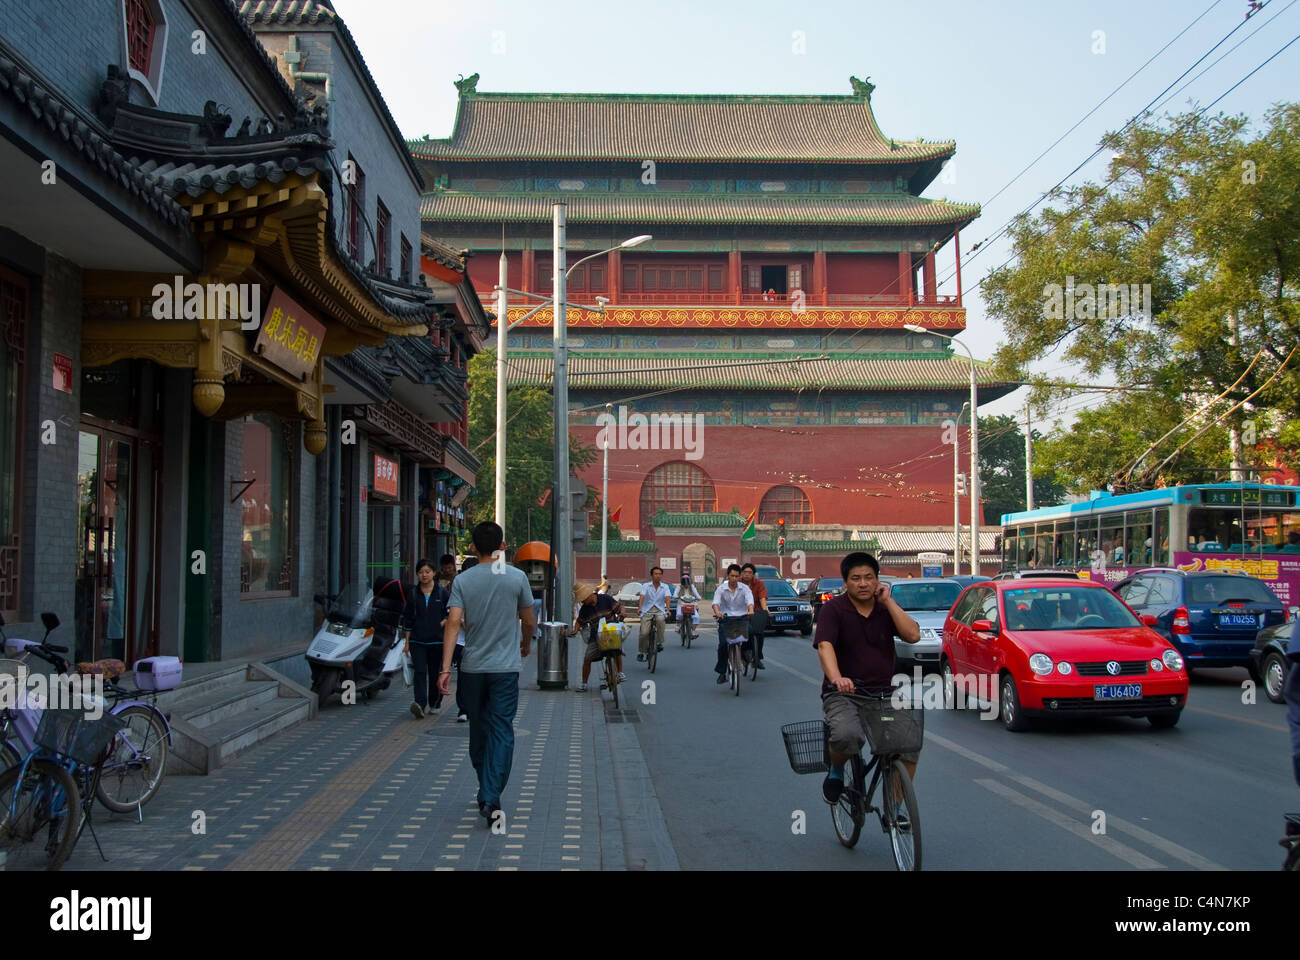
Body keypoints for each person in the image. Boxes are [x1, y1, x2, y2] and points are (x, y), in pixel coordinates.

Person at [439, 523, 536, 825]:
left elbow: (453, 623)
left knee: (478, 729)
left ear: (472, 548)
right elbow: (529, 621)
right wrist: (524, 642)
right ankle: (491, 793)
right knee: (502, 729)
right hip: (505, 669)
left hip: (472, 669)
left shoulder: (463, 581)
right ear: (503, 546)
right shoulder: (517, 577)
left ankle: (486, 787)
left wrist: (444, 668)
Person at [814, 552, 922, 822]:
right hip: (844, 694)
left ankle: (895, 807)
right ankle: (837, 770)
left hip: (883, 694)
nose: (863, 584)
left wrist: (889, 601)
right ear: (846, 582)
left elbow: (913, 634)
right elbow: (825, 646)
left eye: (869, 578)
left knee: (909, 744)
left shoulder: (885, 608)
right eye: (856, 578)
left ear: (877, 581)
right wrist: (837, 677)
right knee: (848, 735)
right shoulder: (833, 610)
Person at [402, 559, 450, 718]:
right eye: (421, 572)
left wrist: (444, 621)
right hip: (417, 641)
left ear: (434, 573)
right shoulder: (413, 594)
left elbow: (451, 612)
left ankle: (435, 702)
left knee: (435, 673)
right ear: (417, 574)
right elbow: (408, 619)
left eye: (427, 572)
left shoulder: (442, 592)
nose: (424, 575)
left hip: (437, 641)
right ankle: (420, 704)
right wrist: (407, 642)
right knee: (420, 672)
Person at [569, 582, 625, 692]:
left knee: (617, 649)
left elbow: (619, 608)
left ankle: (620, 672)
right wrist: (575, 630)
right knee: (587, 658)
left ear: (589, 595)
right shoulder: (585, 609)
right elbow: (579, 621)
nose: (583, 602)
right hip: (596, 636)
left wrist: (623, 613)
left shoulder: (606, 599)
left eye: (583, 599)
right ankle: (584, 684)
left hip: (611, 630)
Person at [711, 564, 754, 684]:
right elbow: (716, 603)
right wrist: (717, 612)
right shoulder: (721, 588)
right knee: (723, 645)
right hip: (726, 619)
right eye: (732, 576)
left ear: (739, 576)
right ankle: (722, 672)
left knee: (751, 631)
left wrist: (750, 610)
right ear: (728, 576)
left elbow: (749, 601)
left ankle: (746, 653)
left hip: (741, 618)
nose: (734, 578)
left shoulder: (744, 588)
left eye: (736, 576)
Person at [637, 566, 672, 663]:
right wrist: (640, 608)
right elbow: (642, 596)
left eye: (660, 574)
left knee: (661, 620)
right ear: (651, 576)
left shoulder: (665, 586)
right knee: (644, 633)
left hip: (659, 610)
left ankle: (659, 642)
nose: (658, 576)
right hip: (646, 610)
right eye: (656, 574)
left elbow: (667, 598)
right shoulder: (646, 586)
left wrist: (668, 610)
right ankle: (642, 652)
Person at [740, 563, 770, 669]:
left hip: (755, 611)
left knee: (759, 633)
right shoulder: (738, 583)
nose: (747, 575)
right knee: (745, 632)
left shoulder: (759, 583)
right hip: (740, 612)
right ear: (741, 573)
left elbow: (762, 598)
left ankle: (757, 658)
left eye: (750, 573)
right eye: (745, 572)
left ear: (753, 574)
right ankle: (744, 652)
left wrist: (765, 609)